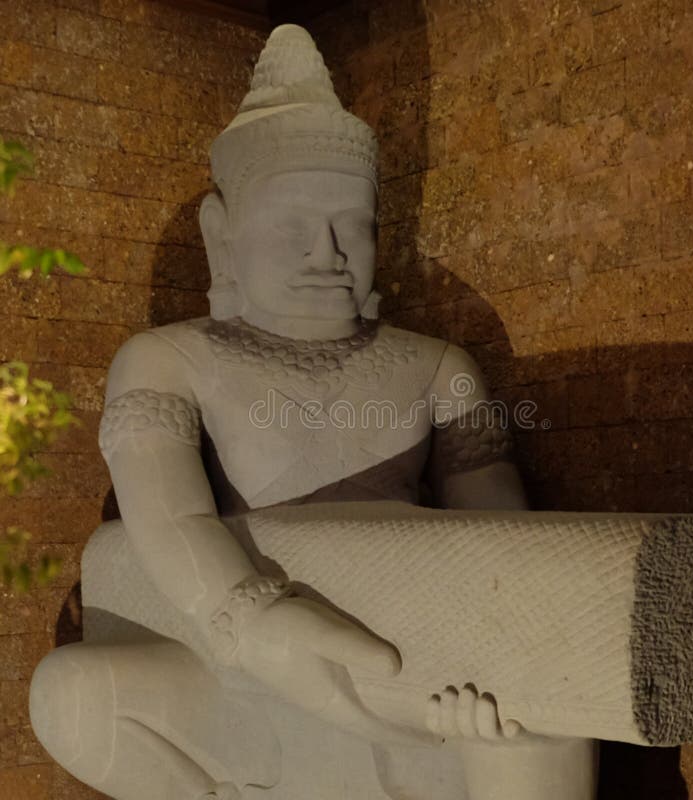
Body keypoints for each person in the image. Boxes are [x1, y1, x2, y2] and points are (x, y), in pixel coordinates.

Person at [29, 25, 597, 800]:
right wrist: (248, 619)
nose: (327, 253)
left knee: (547, 727)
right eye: (293, 226)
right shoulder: (168, 359)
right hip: (246, 666)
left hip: (404, 666)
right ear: (222, 238)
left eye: (351, 226)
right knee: (71, 694)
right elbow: (170, 518)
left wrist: (485, 659)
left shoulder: (437, 368)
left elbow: (498, 546)